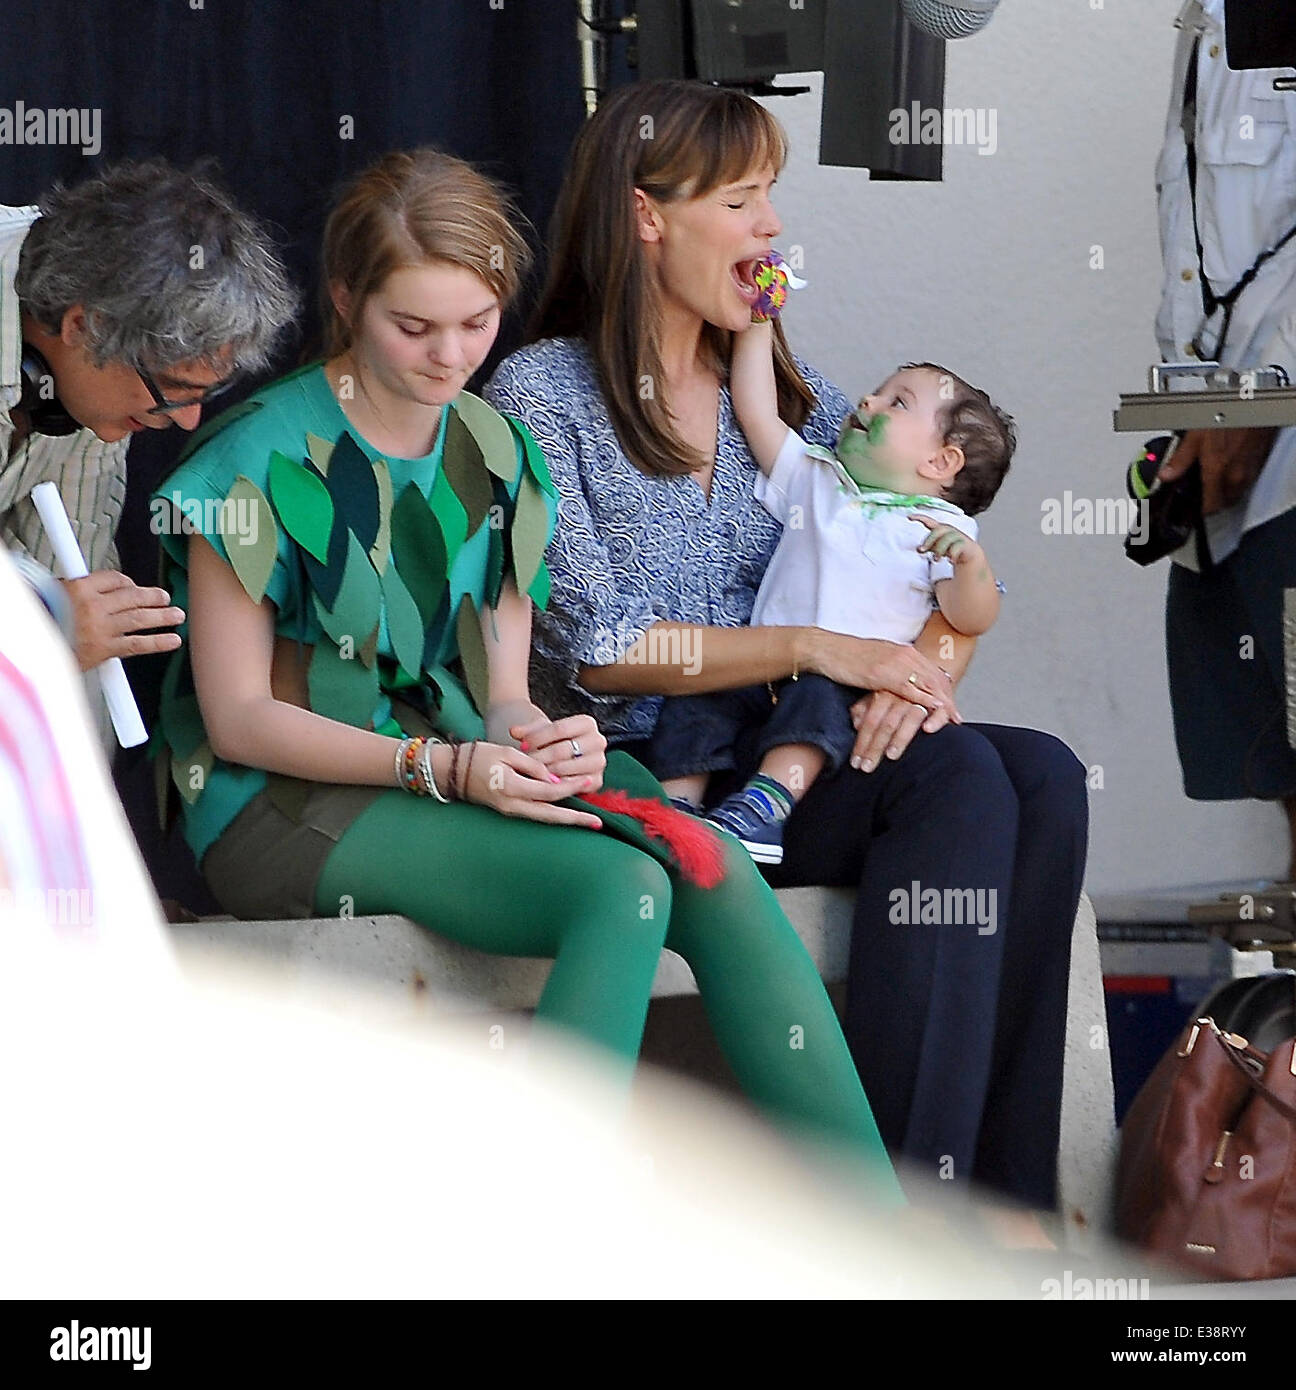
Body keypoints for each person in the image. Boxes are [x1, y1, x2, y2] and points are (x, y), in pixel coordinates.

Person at [148, 148, 904, 1200]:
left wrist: (540, 736)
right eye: (414, 327)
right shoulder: (254, 460)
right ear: (344, 300)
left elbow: (503, 688)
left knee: (707, 860)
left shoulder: (501, 449)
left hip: (452, 760)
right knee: (622, 884)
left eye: (475, 323)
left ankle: (882, 1236)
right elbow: (236, 722)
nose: (449, 354)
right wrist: (447, 767)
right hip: (281, 802)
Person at [484, 79, 1088, 1216]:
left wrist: (921, 681)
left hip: (796, 755)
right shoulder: (541, 393)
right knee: (965, 776)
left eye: (776, 198)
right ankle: (903, 1217)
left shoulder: (799, 404)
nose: (773, 228)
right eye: (747, 198)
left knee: (1046, 772)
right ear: (649, 214)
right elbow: (598, 642)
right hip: (671, 768)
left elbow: (940, 576)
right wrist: (819, 647)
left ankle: (1005, 1207)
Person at [648, 287, 1013, 864]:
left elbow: (971, 617)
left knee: (816, 710)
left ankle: (767, 804)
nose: (867, 400)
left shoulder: (940, 527)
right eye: (879, 390)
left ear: (940, 463)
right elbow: (755, 410)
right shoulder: (819, 478)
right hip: (762, 661)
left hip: (843, 683)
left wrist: (972, 568)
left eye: (897, 403)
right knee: (696, 701)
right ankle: (674, 812)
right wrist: (759, 324)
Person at [0, 160, 298, 753]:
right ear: (82, 327)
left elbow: (82, 615)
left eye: (203, 396)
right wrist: (32, 638)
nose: (187, 422)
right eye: (173, 394)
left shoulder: (104, 363)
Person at [1149, 0, 1296, 877]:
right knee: (1266, 749)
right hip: (1215, 417)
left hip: (1273, 416)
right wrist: (1201, 401)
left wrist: (1262, 398)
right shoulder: (1203, 17)